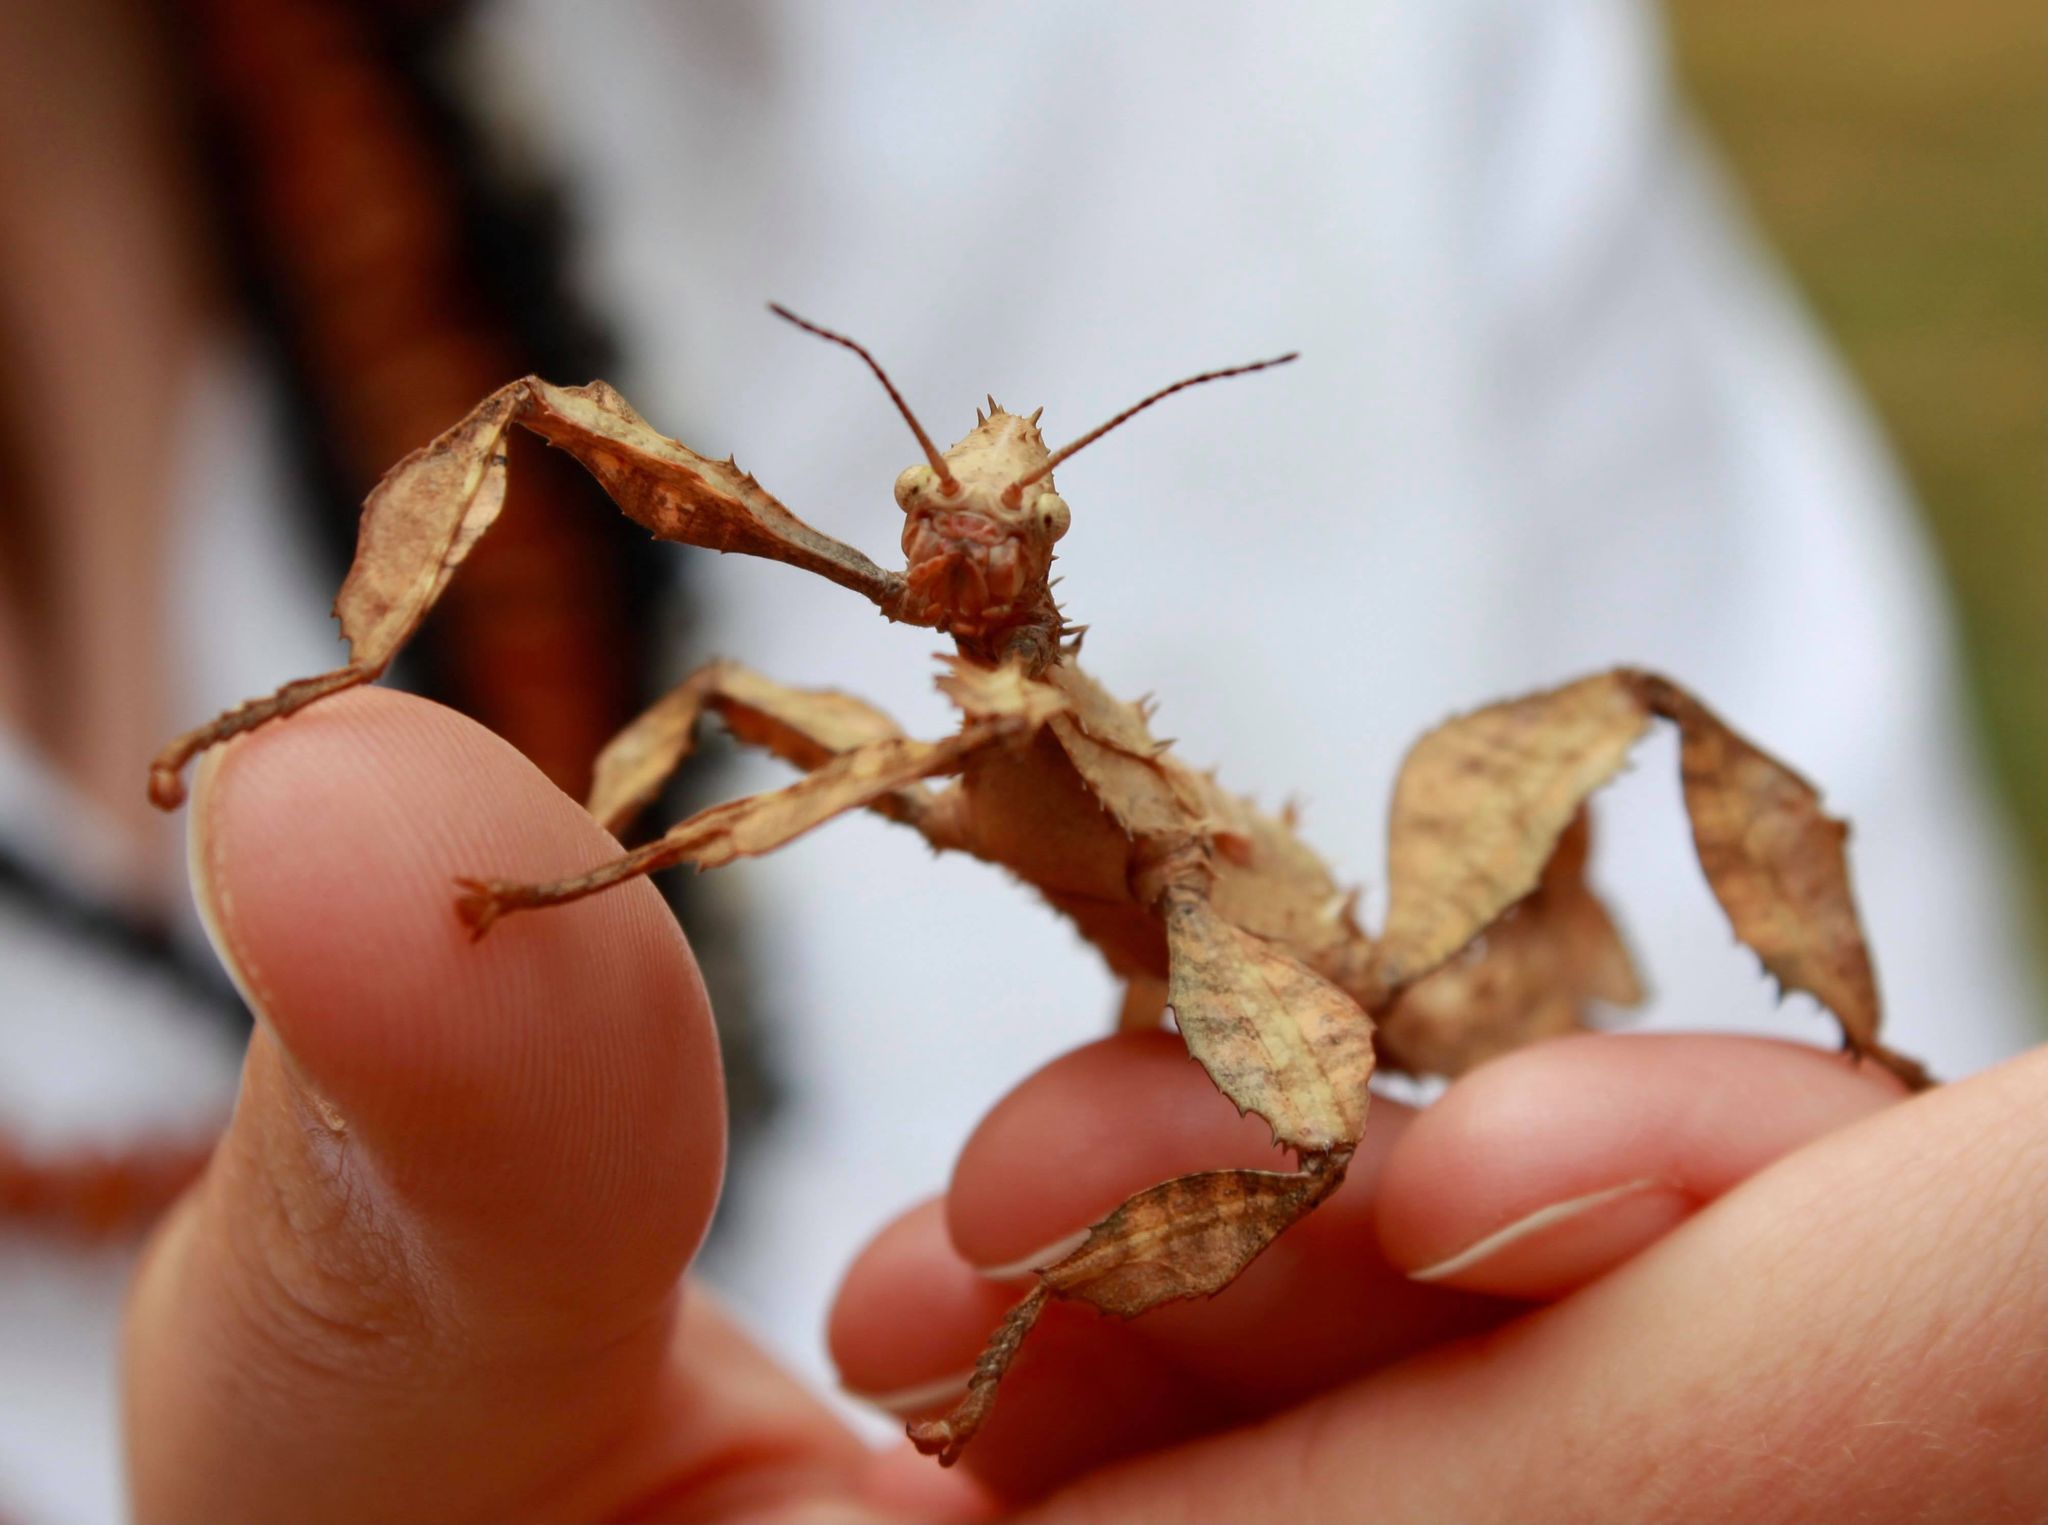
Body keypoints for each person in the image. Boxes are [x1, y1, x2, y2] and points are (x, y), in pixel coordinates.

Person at [124, 690, 2047, 1520]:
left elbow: (1303, 1117)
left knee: (1314, 1136)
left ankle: (1866, 1051)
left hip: (1401, 992)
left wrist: (1901, 1135)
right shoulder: (954, 731)